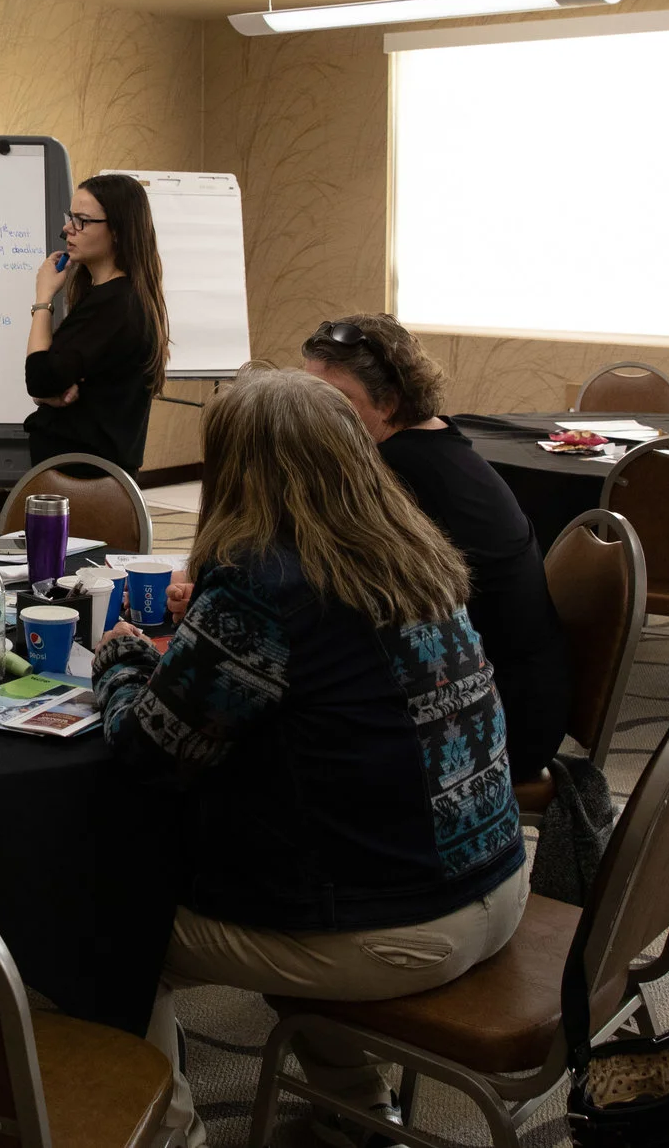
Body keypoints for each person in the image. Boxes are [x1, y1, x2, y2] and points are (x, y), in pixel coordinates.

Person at [95, 369, 525, 1147]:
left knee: (109, 920)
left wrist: (122, 659)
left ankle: (169, 1134)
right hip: (496, 881)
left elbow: (147, 752)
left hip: (394, 927)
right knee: (308, 845)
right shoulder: (414, 557)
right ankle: (356, 1103)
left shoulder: (260, 587)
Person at [301, 315, 572, 781]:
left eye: (335, 401)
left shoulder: (397, 471)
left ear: (388, 403)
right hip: (522, 701)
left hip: (494, 725)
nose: (313, 416)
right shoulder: (440, 442)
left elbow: (329, 597)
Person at [24, 172, 170, 472]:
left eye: (82, 221)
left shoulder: (115, 304)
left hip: (85, 479)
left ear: (117, 230)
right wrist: (49, 391)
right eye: (71, 217)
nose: (67, 229)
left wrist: (43, 298)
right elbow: (49, 381)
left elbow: (39, 377)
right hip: (81, 475)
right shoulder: (108, 297)